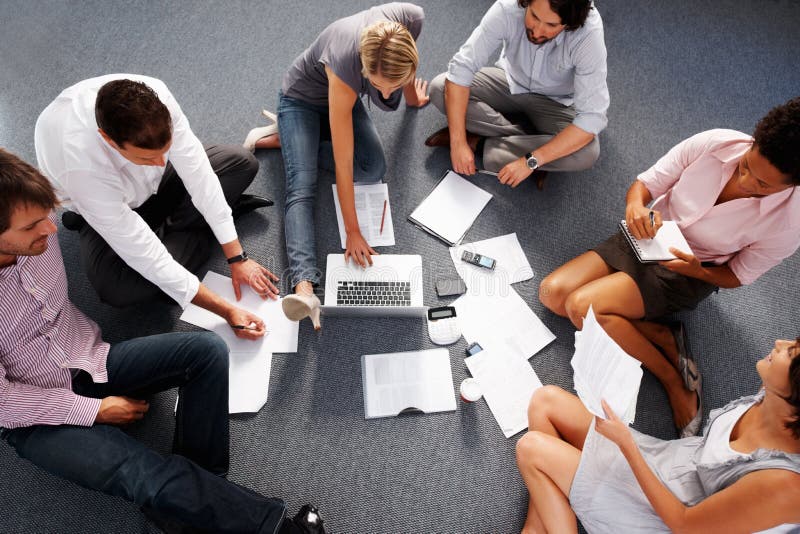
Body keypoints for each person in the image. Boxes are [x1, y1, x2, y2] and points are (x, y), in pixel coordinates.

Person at [0, 148, 324, 533]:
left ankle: (188, 503)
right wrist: (94, 411)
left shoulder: (41, 230)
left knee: (205, 351)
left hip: (90, 357)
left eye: (46, 215)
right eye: (32, 225)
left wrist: (226, 305)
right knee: (138, 471)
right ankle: (276, 528)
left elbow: (145, 254)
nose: (51, 230)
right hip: (32, 416)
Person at [538, 97, 800, 436]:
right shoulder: (716, 142)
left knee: (580, 308)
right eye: (746, 167)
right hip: (645, 236)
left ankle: (673, 380)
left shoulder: (790, 223)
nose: (748, 183)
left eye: (763, 187)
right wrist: (635, 206)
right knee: (552, 294)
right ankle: (663, 333)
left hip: (688, 271)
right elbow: (646, 184)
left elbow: (738, 275)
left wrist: (697, 271)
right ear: (753, 142)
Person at [35, 74, 278, 341]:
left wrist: (236, 257)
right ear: (107, 139)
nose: (162, 163)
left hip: (152, 190)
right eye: (147, 157)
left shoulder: (157, 96)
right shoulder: (81, 166)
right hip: (106, 206)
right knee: (116, 288)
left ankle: (185, 238)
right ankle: (198, 229)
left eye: (166, 149)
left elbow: (198, 175)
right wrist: (227, 311)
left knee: (241, 163)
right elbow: (142, 251)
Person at [244, 3, 429, 330]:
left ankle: (290, 142)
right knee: (302, 184)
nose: (387, 94)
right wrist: (353, 231)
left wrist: (411, 96)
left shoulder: (410, 18)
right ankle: (304, 286)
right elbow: (342, 163)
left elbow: (405, 65)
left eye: (393, 85)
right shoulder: (345, 67)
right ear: (364, 67)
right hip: (301, 100)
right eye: (380, 85)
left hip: (346, 98)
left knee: (372, 167)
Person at [515, 338, 800, 533]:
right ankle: (538, 526)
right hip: (666, 463)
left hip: (665, 516)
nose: (780, 343)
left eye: (790, 352)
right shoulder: (774, 395)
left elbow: (683, 524)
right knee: (544, 401)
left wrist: (626, 444)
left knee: (531, 449)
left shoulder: (785, 487)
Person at [425, 0, 608, 190]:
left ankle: (480, 143)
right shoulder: (507, 8)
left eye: (551, 25)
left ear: (569, 23)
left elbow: (591, 117)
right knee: (439, 89)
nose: (537, 31)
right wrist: (457, 142)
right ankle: (539, 149)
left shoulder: (588, 34)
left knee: (587, 152)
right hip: (509, 81)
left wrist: (531, 160)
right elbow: (462, 68)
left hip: (556, 101)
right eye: (534, 16)